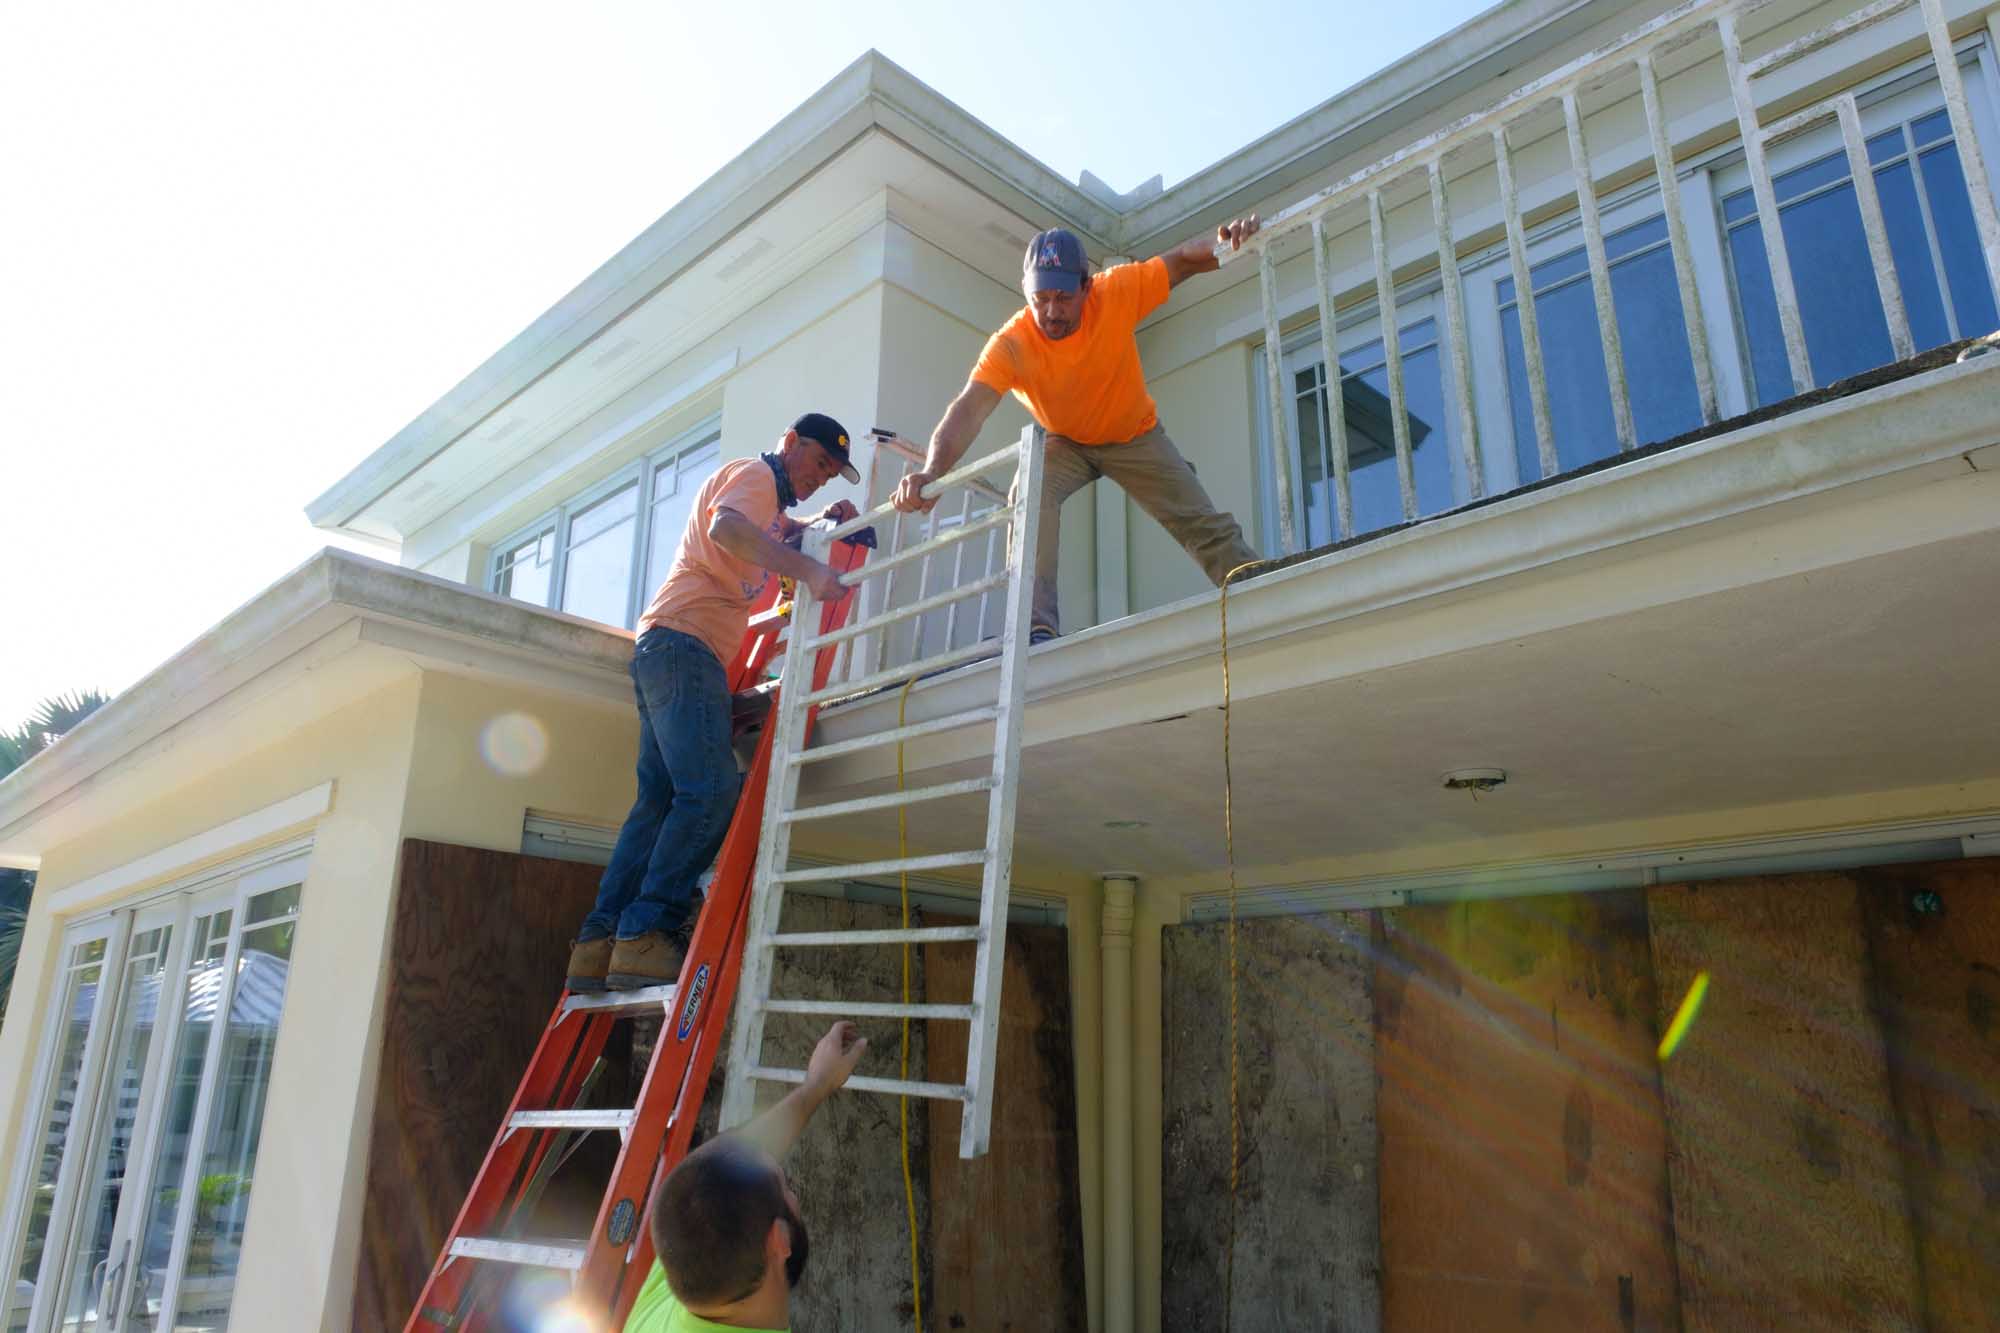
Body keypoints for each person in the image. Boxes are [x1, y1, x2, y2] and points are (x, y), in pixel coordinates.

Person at [566, 415, 861, 993]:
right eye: (821, 462)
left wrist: (815, 525)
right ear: (791, 444)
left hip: (666, 644)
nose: (824, 477)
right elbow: (730, 529)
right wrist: (810, 571)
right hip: (685, 647)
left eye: (833, 473)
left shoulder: (769, 504)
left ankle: (598, 943)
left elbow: (767, 530)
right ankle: (646, 929)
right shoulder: (754, 476)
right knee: (711, 790)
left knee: (660, 799)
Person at [891, 219, 1265, 641]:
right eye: (1041, 299)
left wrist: (1228, 243)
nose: (1051, 312)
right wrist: (933, 470)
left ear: (1087, 288)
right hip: (1066, 441)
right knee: (1028, 492)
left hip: (1134, 435)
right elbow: (969, 409)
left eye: (1063, 298)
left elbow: (1181, 261)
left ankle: (1259, 593)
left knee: (1199, 520)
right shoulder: (1012, 344)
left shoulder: (1117, 292)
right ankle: (1034, 627)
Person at [624, 1020, 869, 1331]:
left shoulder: (688, 1253)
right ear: (779, 1241)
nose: (794, 1195)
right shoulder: (684, 1247)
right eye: (786, 1186)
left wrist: (817, 1084)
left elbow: (719, 1161)